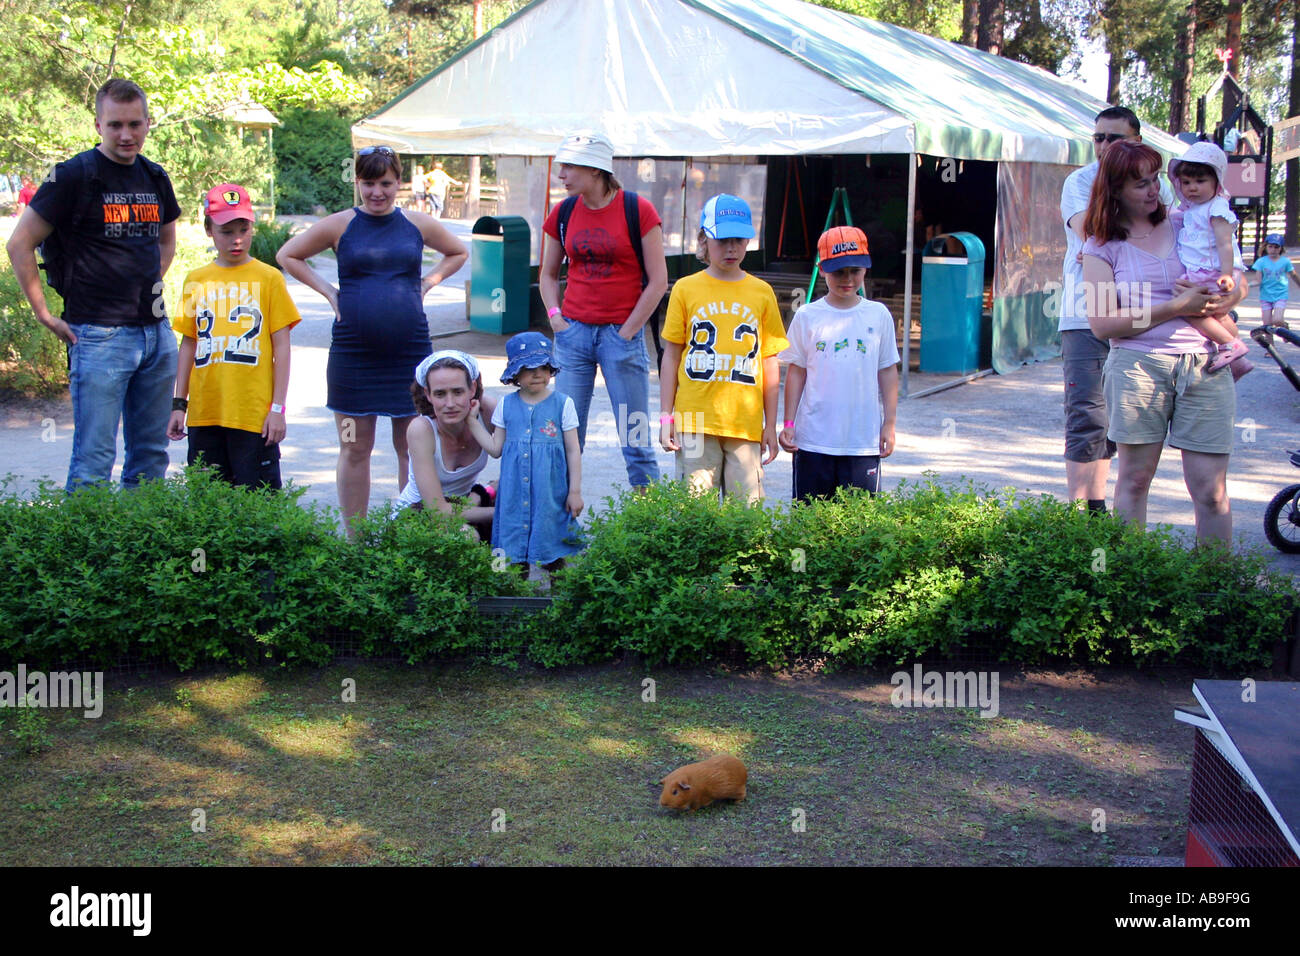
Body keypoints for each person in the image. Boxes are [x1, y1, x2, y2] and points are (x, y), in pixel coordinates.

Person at [277, 145, 468, 530]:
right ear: (357, 182)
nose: (377, 192)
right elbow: (288, 256)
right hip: (353, 360)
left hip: (409, 357)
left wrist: (427, 283)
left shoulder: (416, 224)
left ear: (399, 182)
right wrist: (330, 293)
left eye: (385, 183)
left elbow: (458, 251)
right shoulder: (340, 225)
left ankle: (407, 535)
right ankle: (356, 540)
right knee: (353, 447)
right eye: (368, 183)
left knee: (411, 448)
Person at [6, 78, 181, 492]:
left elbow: (167, 239)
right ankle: (88, 557)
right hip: (98, 337)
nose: (126, 134)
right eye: (116, 124)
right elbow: (19, 244)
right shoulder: (71, 176)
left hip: (156, 333)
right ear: (98, 124)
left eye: (135, 124)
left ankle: (140, 550)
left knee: (151, 454)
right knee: (94, 459)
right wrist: (44, 314)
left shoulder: (155, 177)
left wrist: (147, 285)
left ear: (148, 124)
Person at [1081, 140, 1247, 544]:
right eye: (1140, 184)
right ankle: (1129, 584)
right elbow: (1104, 325)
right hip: (1137, 366)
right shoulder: (1101, 246)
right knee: (1134, 482)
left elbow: (1235, 272)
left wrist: (1235, 293)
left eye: (1155, 179)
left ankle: (1214, 593)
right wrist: (1174, 307)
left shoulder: (1188, 219)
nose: (1154, 189)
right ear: (1115, 189)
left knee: (1211, 491)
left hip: (1206, 364)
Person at [1058, 106, 1172, 514]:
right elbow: (1091, 230)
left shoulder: (1161, 187)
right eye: (1099, 138)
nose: (1104, 146)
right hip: (1085, 314)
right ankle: (1079, 516)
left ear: (1137, 140)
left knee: (1125, 419)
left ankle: (1108, 509)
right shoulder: (1080, 181)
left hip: (1145, 316)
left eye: (1114, 138)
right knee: (1087, 413)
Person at [539, 130, 666, 490]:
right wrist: (556, 319)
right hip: (572, 336)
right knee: (565, 440)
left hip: (620, 336)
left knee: (636, 440)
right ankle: (559, 532)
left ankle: (647, 527)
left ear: (594, 169)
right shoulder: (563, 212)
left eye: (568, 167)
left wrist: (628, 331)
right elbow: (548, 275)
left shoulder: (637, 209)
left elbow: (658, 281)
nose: (561, 174)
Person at [167, 183, 300, 488]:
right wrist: (179, 405)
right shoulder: (196, 279)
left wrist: (277, 409)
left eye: (244, 228)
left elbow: (282, 347)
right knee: (209, 506)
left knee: (259, 503)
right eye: (226, 231)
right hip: (205, 413)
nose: (237, 239)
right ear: (208, 229)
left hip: (253, 415)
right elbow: (189, 344)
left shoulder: (269, 278)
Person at [658, 194, 788, 502]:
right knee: (695, 514)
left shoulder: (762, 292)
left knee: (745, 515)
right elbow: (671, 356)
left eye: (740, 240)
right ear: (703, 239)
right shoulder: (686, 288)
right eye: (722, 240)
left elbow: (770, 363)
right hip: (695, 419)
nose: (731, 249)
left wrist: (771, 424)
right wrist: (666, 418)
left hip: (745, 422)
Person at [778, 226, 899, 501]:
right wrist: (788, 422)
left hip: (862, 442)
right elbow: (796, 373)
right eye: (838, 272)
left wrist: (889, 423)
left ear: (865, 269)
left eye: (854, 270)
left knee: (860, 527)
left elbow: (888, 370)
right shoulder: (807, 316)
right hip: (813, 441)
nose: (847, 279)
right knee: (810, 523)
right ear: (822, 268)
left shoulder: (878, 315)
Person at [466, 332, 584, 573]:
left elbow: (573, 450)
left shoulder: (563, 404)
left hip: (551, 496)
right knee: (511, 548)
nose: (537, 373)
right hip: (512, 496)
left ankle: (557, 599)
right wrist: (472, 421)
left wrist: (574, 492)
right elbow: (495, 449)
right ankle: (510, 596)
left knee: (553, 542)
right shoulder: (506, 406)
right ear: (515, 374)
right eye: (529, 368)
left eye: (543, 366)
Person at [393, 350, 499, 540]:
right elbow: (438, 511)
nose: (450, 403)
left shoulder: (487, 410)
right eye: (440, 394)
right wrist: (499, 514)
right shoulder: (421, 429)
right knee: (466, 537)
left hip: (467, 503)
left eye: (458, 392)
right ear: (428, 394)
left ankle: (514, 569)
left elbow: (521, 462)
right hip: (420, 511)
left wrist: (485, 491)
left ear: (472, 388)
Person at [1167, 142, 1252, 376]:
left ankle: (1230, 344)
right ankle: (1238, 358)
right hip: (1202, 270)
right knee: (1216, 313)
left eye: (1200, 181)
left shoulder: (1216, 208)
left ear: (1216, 181)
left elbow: (1225, 244)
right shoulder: (1192, 208)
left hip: (1212, 271)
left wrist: (1226, 273)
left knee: (1187, 308)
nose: (1192, 188)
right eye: (1186, 182)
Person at [1251, 234, 1293, 329]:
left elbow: (1293, 274)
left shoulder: (1285, 261)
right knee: (1267, 325)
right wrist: (1246, 285)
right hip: (1266, 296)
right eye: (1270, 246)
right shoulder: (1261, 262)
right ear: (1265, 247)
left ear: (1281, 248)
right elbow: (1258, 280)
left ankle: (1284, 326)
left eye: (1276, 247)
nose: (1273, 249)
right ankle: (1270, 344)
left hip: (1280, 294)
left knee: (1277, 320)